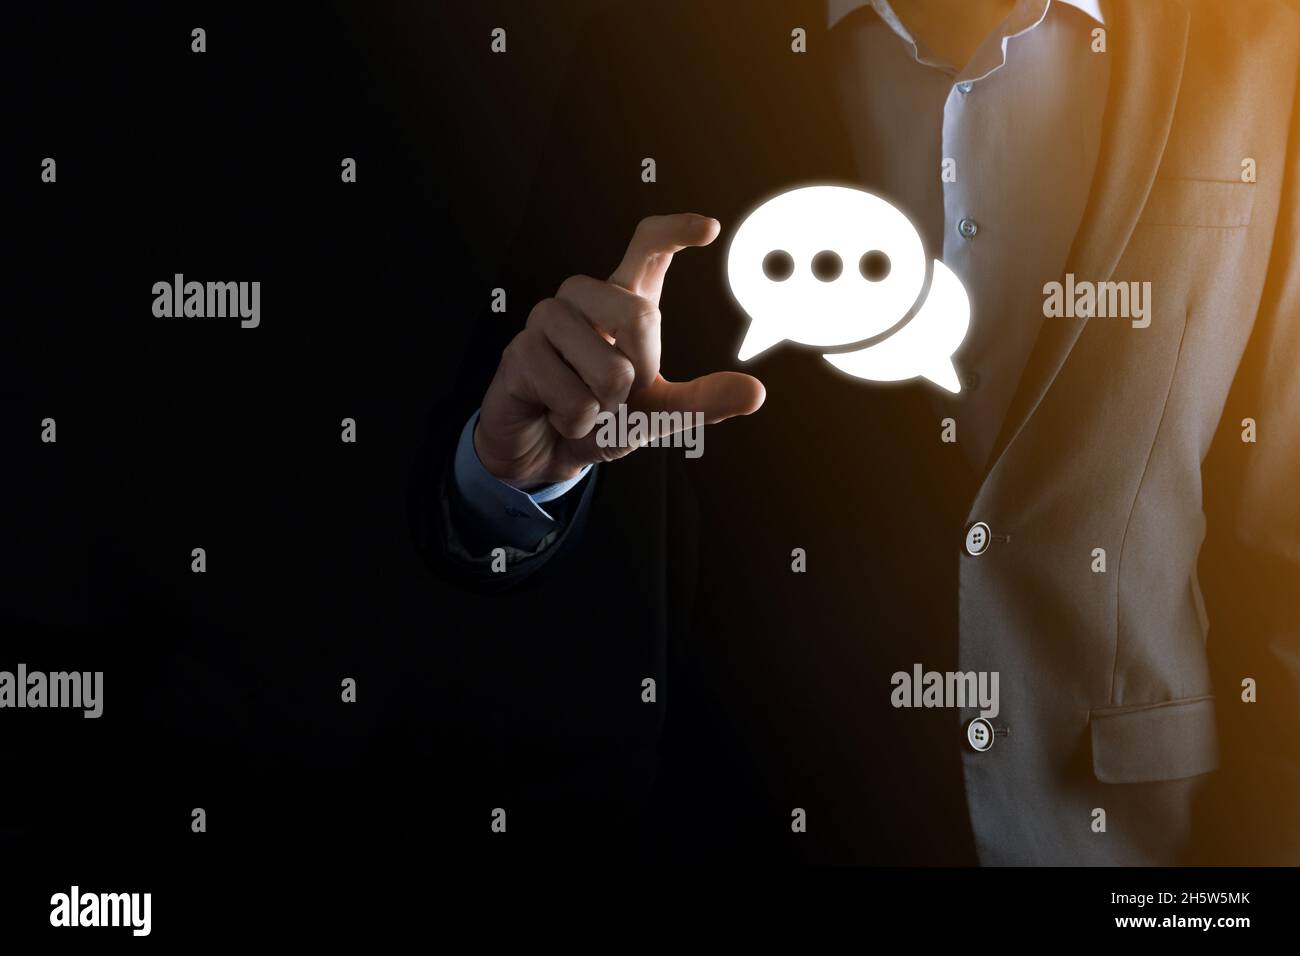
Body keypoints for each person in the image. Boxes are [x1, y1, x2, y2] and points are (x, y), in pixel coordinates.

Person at [417, 0, 1300, 864]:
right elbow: (525, 415)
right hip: (774, 809)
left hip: (1143, 843)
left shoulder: (1263, 43)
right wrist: (520, 482)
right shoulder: (664, 43)